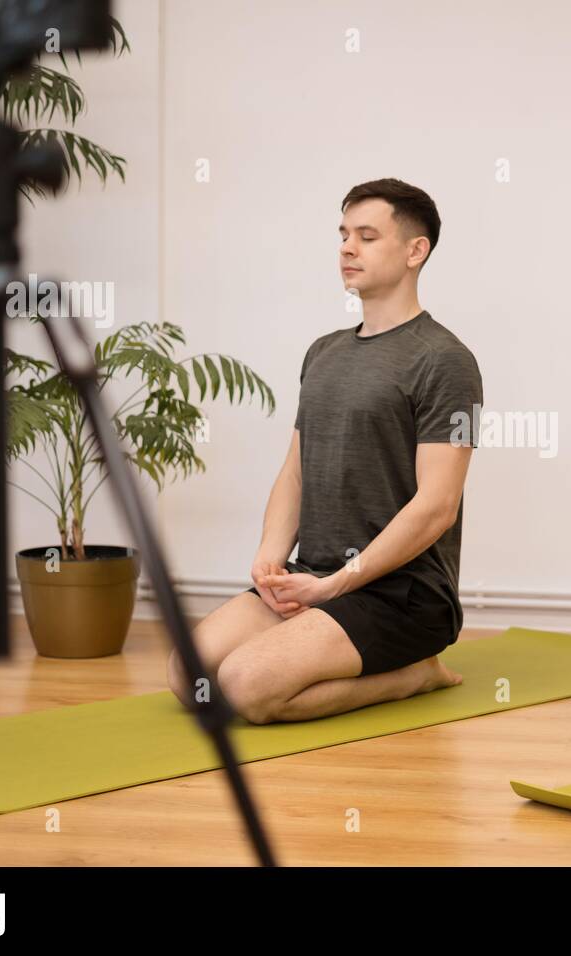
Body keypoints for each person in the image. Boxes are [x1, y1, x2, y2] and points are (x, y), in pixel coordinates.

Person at [168, 178, 483, 724]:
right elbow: (295, 470)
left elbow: (438, 506)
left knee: (244, 687)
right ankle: (323, 639)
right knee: (186, 674)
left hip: (402, 595)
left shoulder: (448, 361)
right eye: (343, 235)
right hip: (312, 577)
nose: (346, 248)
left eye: (366, 235)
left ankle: (414, 673)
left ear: (416, 251)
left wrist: (337, 583)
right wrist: (271, 557)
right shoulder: (324, 352)